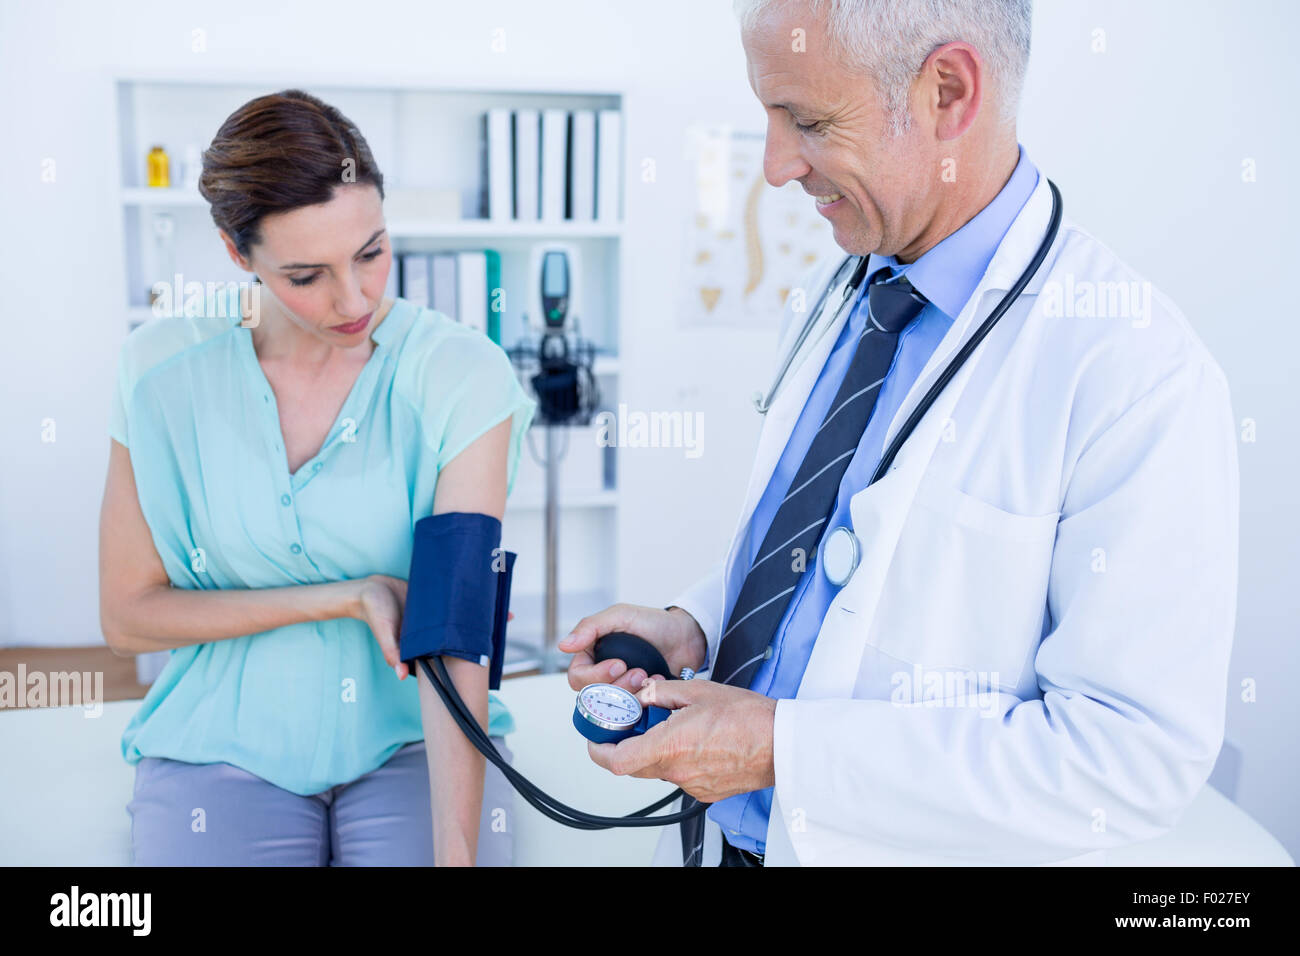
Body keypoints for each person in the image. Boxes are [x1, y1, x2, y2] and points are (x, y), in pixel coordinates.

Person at [562, 0, 1238, 866]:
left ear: (948, 92)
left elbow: (1125, 764)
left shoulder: (1135, 373)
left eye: (806, 120)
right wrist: (698, 622)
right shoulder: (836, 293)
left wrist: (781, 749)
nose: (773, 166)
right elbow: (827, 554)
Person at [99, 89, 535, 866]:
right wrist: (344, 595)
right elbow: (130, 616)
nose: (354, 299)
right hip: (220, 739)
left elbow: (457, 631)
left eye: (371, 251)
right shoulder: (160, 372)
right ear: (240, 255)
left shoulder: (461, 374)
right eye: (306, 275)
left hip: (412, 737)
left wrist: (457, 856)